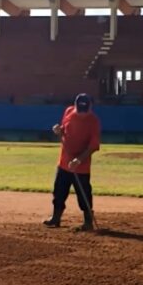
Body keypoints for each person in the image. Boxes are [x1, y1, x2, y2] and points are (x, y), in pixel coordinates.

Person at [43, 93, 101, 231]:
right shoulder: (69, 111)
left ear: (90, 107)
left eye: (85, 110)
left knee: (84, 194)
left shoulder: (93, 121)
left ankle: (88, 222)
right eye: (80, 110)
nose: (82, 113)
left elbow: (93, 146)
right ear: (75, 106)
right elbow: (64, 129)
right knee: (59, 191)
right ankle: (56, 218)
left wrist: (79, 160)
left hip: (81, 166)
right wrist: (59, 130)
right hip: (64, 162)